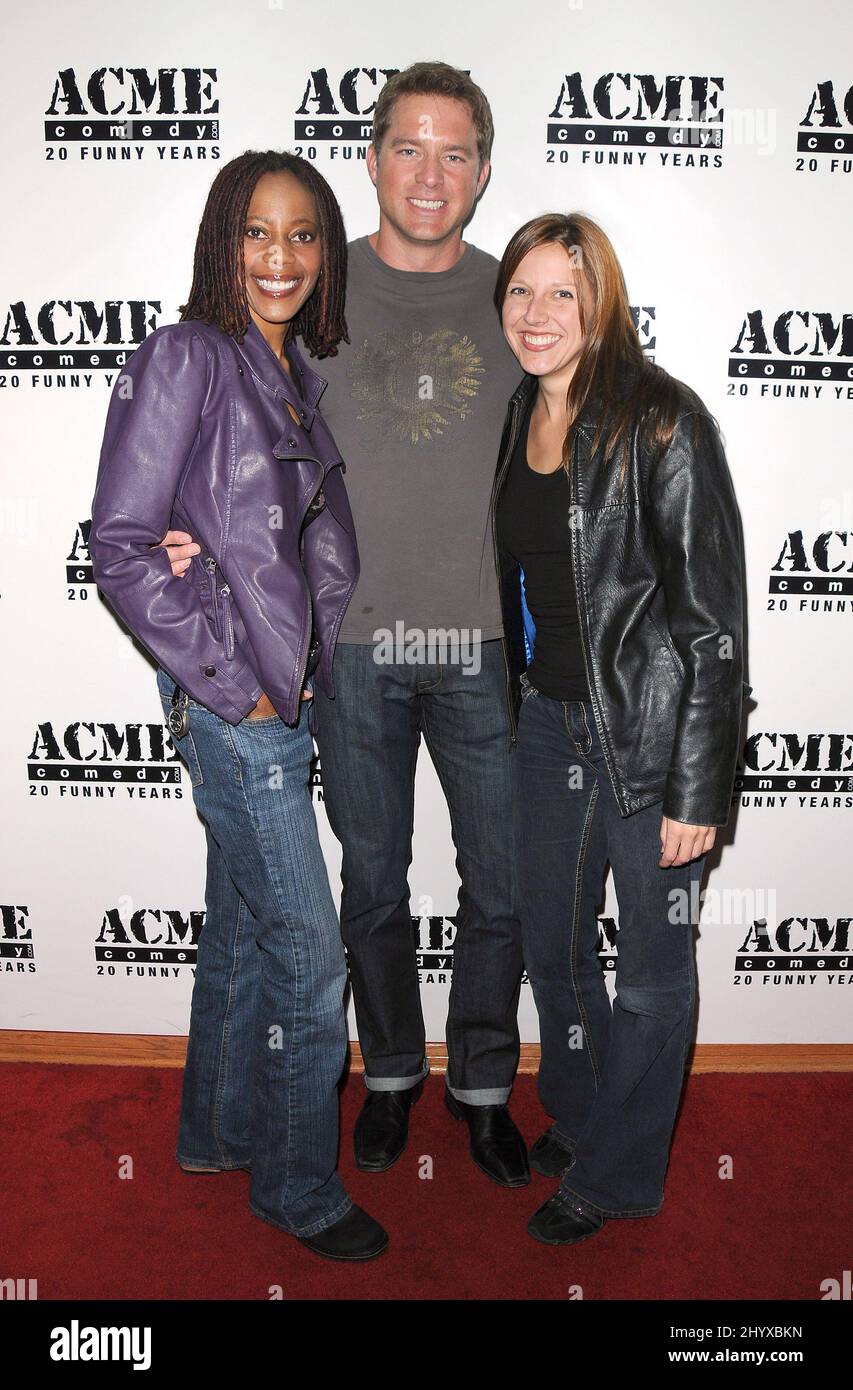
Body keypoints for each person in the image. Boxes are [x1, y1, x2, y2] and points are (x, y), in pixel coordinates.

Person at [162, 64, 531, 1187]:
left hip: (477, 644)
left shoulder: (519, 291)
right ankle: (388, 1078)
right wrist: (182, 532)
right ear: (369, 159)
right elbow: (221, 397)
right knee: (370, 878)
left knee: (500, 885)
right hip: (351, 648)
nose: (430, 173)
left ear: (480, 172)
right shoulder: (312, 284)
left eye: (455, 152)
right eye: (408, 148)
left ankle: (479, 1086)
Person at [89, 150, 388, 1261]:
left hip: (276, 692)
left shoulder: (290, 369)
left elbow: (272, 548)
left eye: (303, 235)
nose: (281, 257)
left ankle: (218, 1132)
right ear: (225, 241)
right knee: (311, 964)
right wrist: (238, 680)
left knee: (246, 935)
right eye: (257, 233)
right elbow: (121, 545)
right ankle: (298, 1187)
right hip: (237, 708)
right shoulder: (185, 357)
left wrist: (287, 662)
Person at [492, 212, 749, 1244]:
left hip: (647, 743)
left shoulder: (662, 421)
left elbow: (711, 620)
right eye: (520, 291)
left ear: (601, 303)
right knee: (552, 954)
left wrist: (699, 787)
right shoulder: (517, 412)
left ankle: (621, 1173)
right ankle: (586, 1109)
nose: (537, 313)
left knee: (648, 973)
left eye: (564, 292)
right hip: (546, 729)